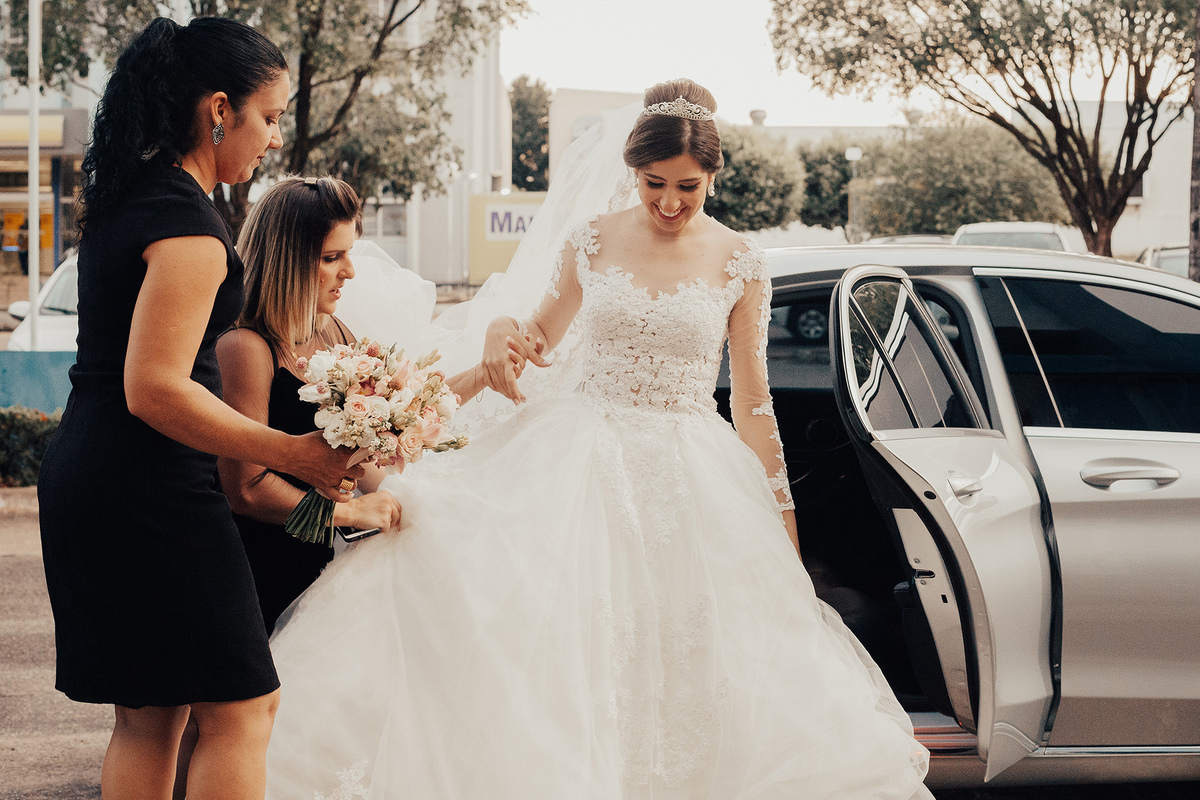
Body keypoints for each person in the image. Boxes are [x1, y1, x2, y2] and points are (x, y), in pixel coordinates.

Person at [263, 79, 933, 799]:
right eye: (654, 184)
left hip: (691, 477)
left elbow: (754, 401)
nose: (670, 203)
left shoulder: (740, 261)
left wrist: (782, 527)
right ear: (632, 171)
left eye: (688, 186)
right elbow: (539, 339)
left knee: (694, 663)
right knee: (562, 646)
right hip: (579, 461)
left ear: (714, 176)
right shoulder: (593, 239)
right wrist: (498, 334)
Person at [36, 17, 363, 800]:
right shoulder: (189, 226)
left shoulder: (131, 200)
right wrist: (294, 453)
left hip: (99, 476)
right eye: (271, 116)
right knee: (244, 708)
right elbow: (154, 388)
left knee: (153, 716)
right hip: (150, 491)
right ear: (221, 109)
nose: (274, 138)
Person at [216, 175, 490, 635]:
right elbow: (244, 487)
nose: (350, 271)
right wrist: (350, 513)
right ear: (288, 261)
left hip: (316, 559)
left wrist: (414, 500)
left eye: (350, 253)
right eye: (331, 258)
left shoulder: (334, 331)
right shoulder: (245, 347)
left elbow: (384, 432)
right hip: (255, 568)